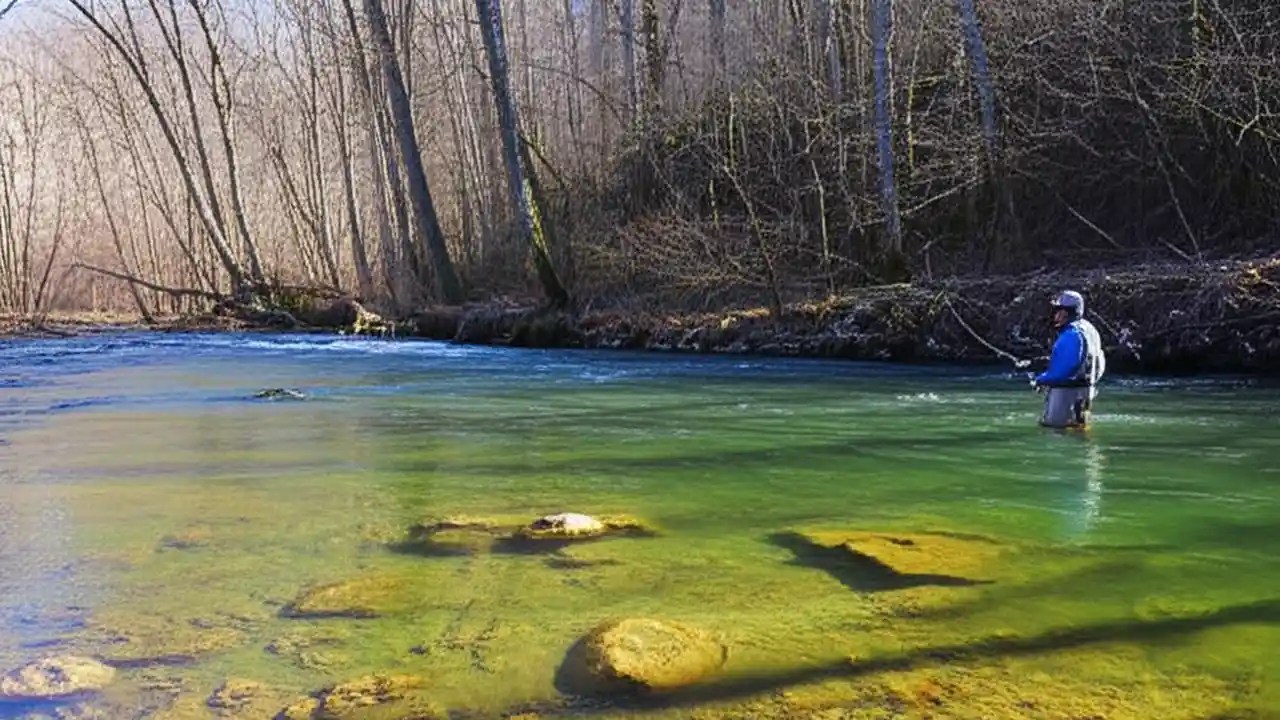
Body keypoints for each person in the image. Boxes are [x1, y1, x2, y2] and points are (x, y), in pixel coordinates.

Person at [1033, 290, 1106, 428]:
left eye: (1058, 310)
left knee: (1055, 432)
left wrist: (1041, 379)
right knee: (1080, 429)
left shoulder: (1071, 334)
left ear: (1066, 312)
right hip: (1086, 392)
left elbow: (1066, 369)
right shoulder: (1090, 329)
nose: (1055, 315)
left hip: (1065, 394)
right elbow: (1100, 363)